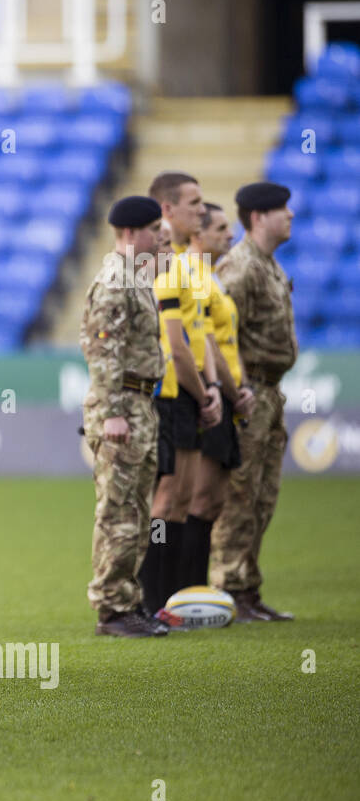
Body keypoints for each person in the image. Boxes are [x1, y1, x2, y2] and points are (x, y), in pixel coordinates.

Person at [80, 196, 168, 637]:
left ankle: (128, 601)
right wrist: (114, 411)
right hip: (121, 407)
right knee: (118, 510)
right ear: (131, 233)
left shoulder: (136, 276)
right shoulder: (116, 279)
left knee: (136, 508)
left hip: (139, 403)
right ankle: (112, 609)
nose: (163, 234)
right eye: (155, 228)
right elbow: (101, 347)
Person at [210, 182, 298, 622]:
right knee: (241, 493)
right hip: (249, 394)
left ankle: (248, 588)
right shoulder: (240, 268)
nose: (291, 216)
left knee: (264, 494)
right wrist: (237, 389)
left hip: (270, 392)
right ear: (259, 217)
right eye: (283, 209)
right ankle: (228, 587)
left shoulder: (270, 266)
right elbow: (220, 332)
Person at [139, 172, 220, 617]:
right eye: (195, 202)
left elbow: (197, 332)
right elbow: (175, 343)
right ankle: (154, 598)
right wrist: (206, 389)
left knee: (180, 500)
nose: (203, 210)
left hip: (187, 392)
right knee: (165, 500)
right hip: (168, 394)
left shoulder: (187, 266)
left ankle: (177, 595)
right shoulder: (164, 270)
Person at [184, 203, 255, 588]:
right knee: (199, 500)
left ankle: (196, 590)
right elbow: (206, 341)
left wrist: (242, 388)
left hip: (229, 393)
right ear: (198, 235)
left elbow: (228, 339)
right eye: (221, 229)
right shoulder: (193, 275)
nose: (230, 235)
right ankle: (186, 591)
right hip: (213, 393)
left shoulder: (212, 277)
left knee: (212, 502)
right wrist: (229, 389)